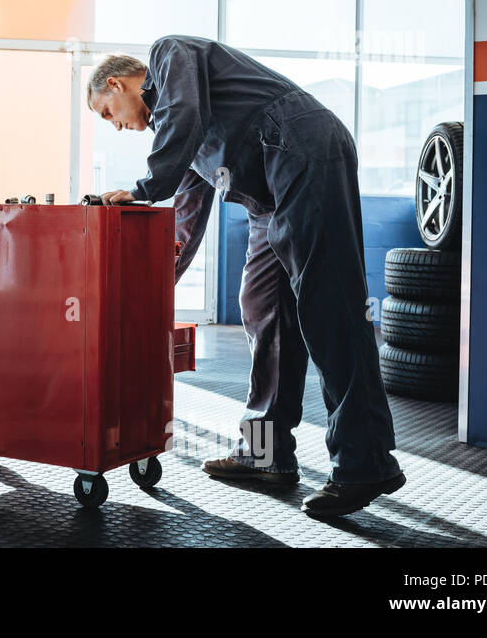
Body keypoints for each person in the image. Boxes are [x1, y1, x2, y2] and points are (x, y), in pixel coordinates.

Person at [87, 35, 404, 518]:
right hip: (264, 194)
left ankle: (366, 464)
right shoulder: (182, 131)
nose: (117, 127)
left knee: (328, 306)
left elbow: (181, 124)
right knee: (263, 311)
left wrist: (144, 188)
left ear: (116, 83)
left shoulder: (169, 56)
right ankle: (265, 452)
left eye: (107, 113)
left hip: (301, 150)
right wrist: (151, 286)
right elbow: (187, 216)